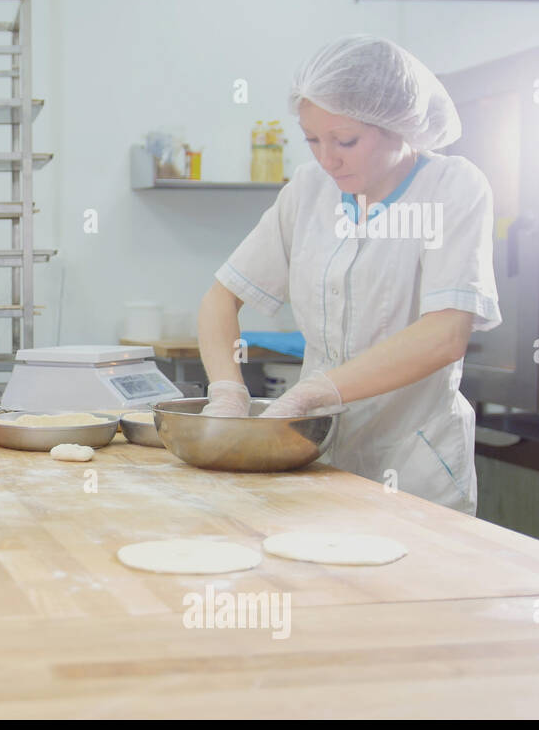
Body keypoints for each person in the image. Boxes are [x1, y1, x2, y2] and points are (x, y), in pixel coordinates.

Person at [197, 35, 501, 515]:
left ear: (398, 124)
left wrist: (320, 391)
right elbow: (222, 297)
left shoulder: (452, 188)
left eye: (346, 141)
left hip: (414, 467)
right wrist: (228, 391)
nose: (327, 158)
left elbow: (445, 333)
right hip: (316, 460)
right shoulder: (309, 189)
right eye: (313, 140)